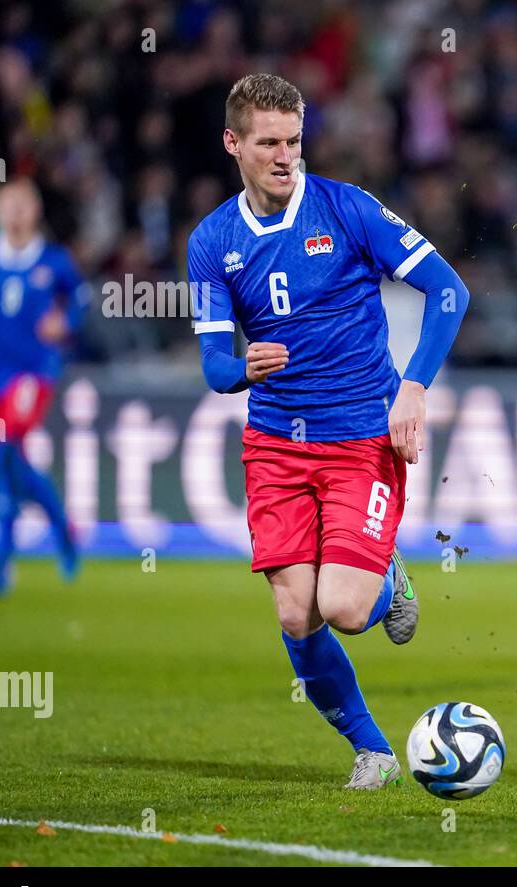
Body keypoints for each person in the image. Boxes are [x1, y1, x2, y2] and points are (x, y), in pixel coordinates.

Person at [188, 74, 469, 790]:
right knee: (294, 612)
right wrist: (241, 366)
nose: (286, 156)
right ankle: (373, 751)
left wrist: (412, 386)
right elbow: (215, 368)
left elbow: (448, 289)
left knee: (343, 608)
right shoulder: (213, 241)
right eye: (269, 143)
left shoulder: (347, 209)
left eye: (294, 141)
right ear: (233, 144)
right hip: (275, 444)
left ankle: (387, 576)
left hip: (360, 439)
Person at [0, 179, 86, 596]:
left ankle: (3, 561)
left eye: (23, 204)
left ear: (36, 210)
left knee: (7, 448)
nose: (15, 212)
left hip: (34, 373)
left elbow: (81, 301)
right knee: (7, 458)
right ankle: (62, 529)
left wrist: (64, 323)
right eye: (7, 204)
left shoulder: (53, 261)